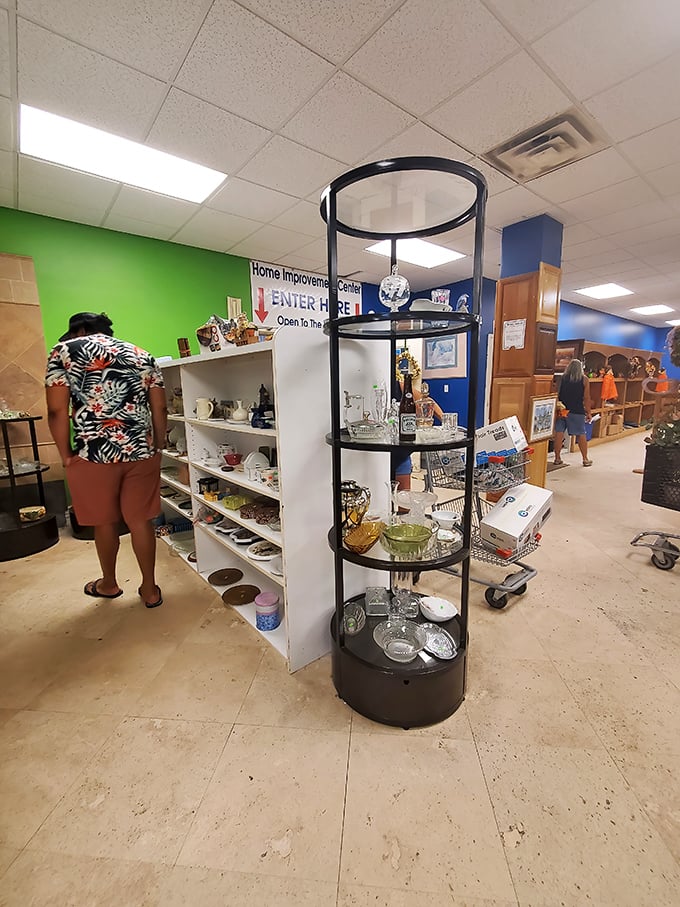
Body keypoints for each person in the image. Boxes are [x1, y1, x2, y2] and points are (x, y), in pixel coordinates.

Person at [45, 312, 167, 607]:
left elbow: (56, 411)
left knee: (104, 522)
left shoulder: (64, 351)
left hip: (93, 453)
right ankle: (150, 590)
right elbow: (159, 408)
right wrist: (158, 445)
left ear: (81, 330)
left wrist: (66, 455)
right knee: (140, 520)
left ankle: (109, 584)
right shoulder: (142, 354)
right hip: (141, 451)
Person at [553, 359, 593, 467]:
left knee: (559, 432)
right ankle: (585, 459)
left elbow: (556, 393)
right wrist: (588, 412)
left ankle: (557, 458)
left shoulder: (562, 379)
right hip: (577, 411)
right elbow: (586, 397)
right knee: (581, 434)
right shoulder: (584, 379)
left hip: (563, 410)